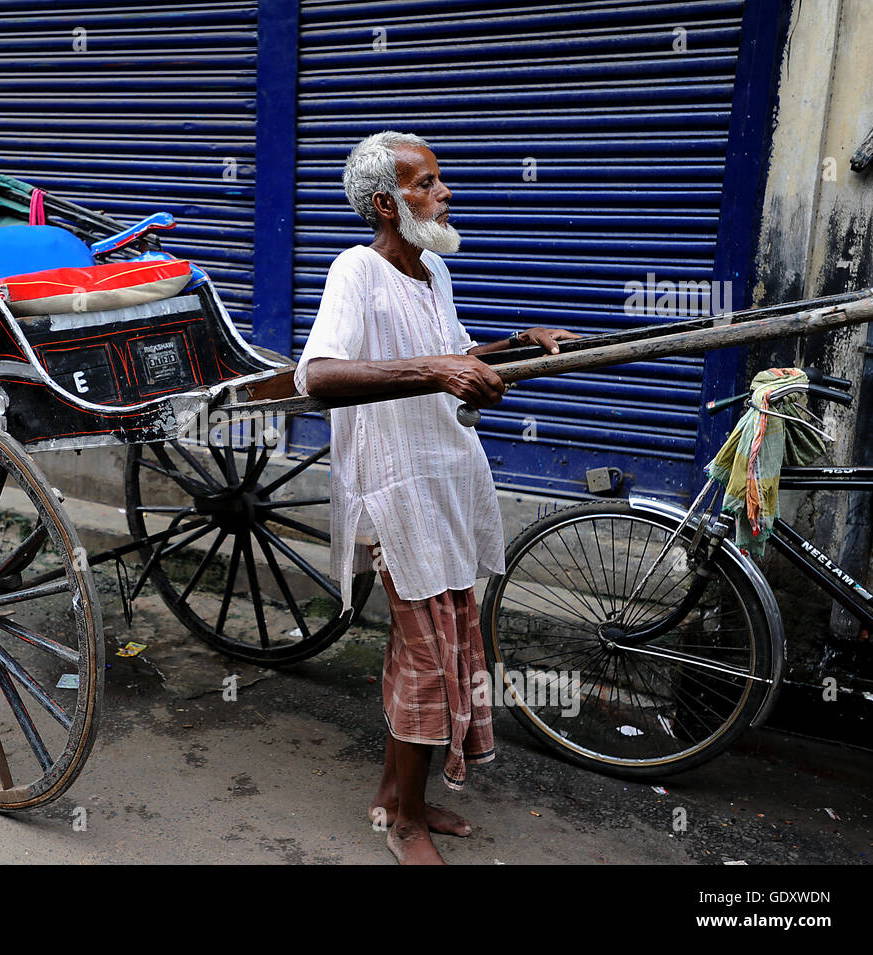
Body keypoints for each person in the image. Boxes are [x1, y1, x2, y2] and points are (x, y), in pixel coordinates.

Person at [294, 131, 577, 865]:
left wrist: (518, 340)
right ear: (387, 203)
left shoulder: (432, 274)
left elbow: (456, 356)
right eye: (426, 184)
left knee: (440, 645)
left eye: (438, 180)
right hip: (396, 490)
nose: (443, 192)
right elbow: (317, 376)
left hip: (448, 478)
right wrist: (440, 370)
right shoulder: (355, 269)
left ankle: (396, 795)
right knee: (426, 660)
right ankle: (405, 821)